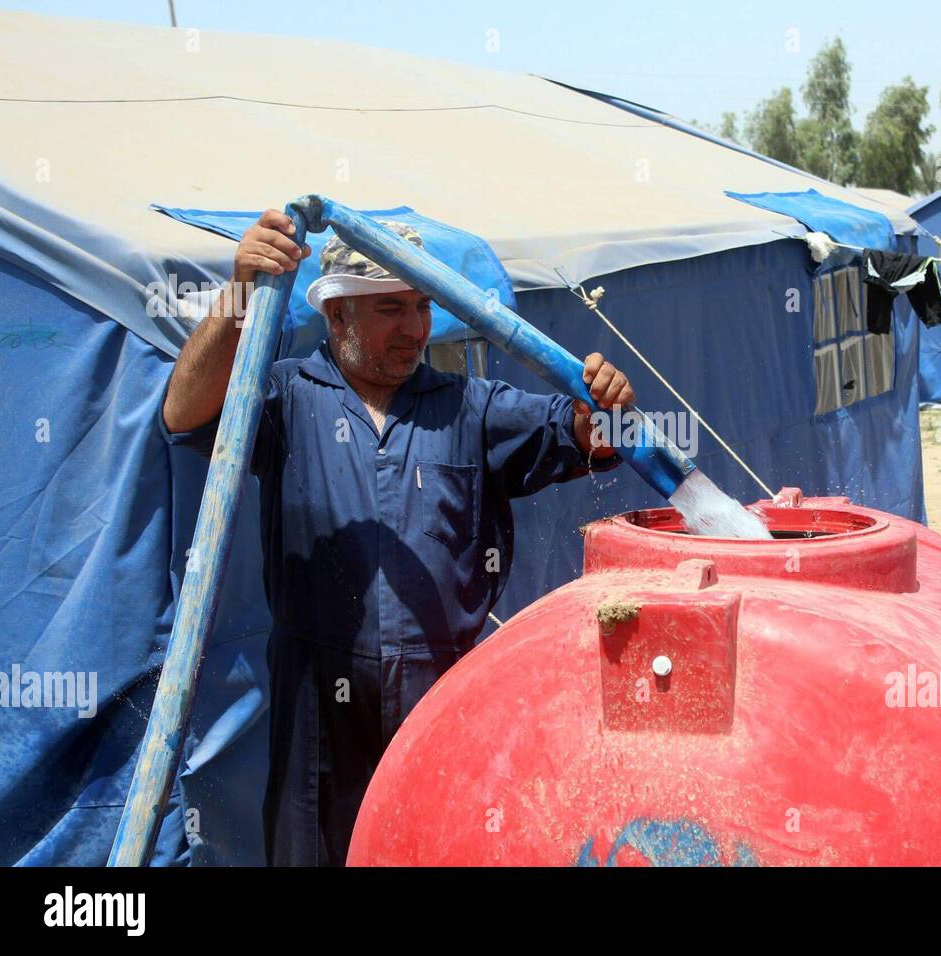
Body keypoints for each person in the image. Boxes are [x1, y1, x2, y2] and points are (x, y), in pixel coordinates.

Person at [161, 210, 633, 865]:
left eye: (422, 306)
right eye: (391, 309)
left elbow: (585, 433)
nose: (417, 328)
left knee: (438, 847)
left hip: (441, 701)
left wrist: (601, 409)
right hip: (318, 714)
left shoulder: (468, 408)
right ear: (337, 318)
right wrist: (240, 290)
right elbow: (185, 414)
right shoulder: (284, 401)